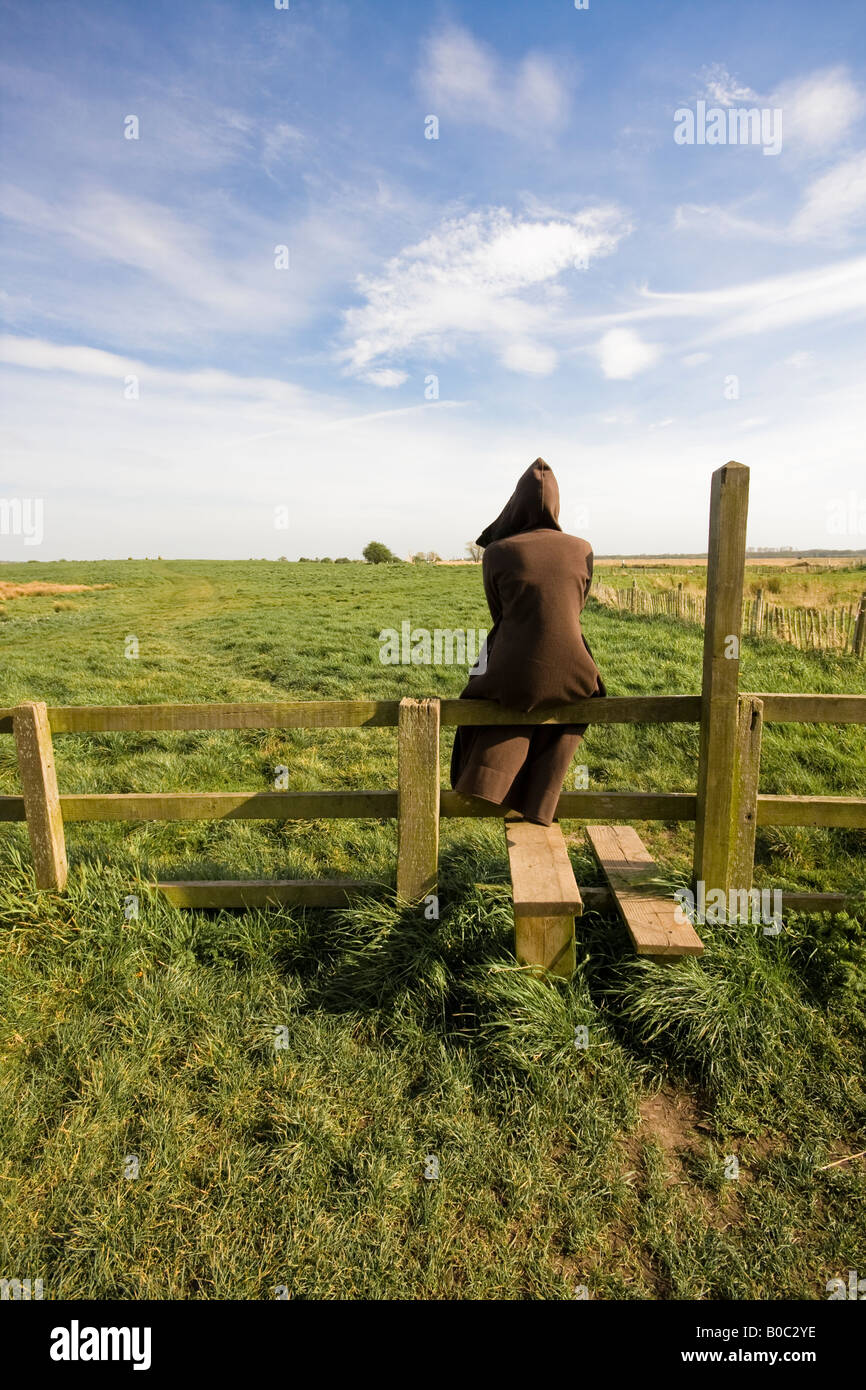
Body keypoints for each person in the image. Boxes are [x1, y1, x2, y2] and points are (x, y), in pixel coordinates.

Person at [450, 457, 606, 826]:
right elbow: (575, 609)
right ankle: (541, 798)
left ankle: (488, 781)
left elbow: (498, 614)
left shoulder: (498, 552)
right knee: (578, 695)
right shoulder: (583, 548)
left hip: (510, 667)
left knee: (489, 694)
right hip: (575, 670)